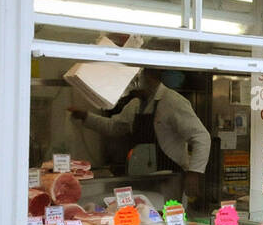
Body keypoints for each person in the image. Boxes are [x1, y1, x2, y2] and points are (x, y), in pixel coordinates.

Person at [69, 68, 212, 205]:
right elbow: (114, 127)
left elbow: (201, 137)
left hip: (169, 181)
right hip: (140, 180)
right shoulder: (135, 104)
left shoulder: (172, 101)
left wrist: (194, 174)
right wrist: (85, 116)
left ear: (148, 77)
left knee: (168, 223)